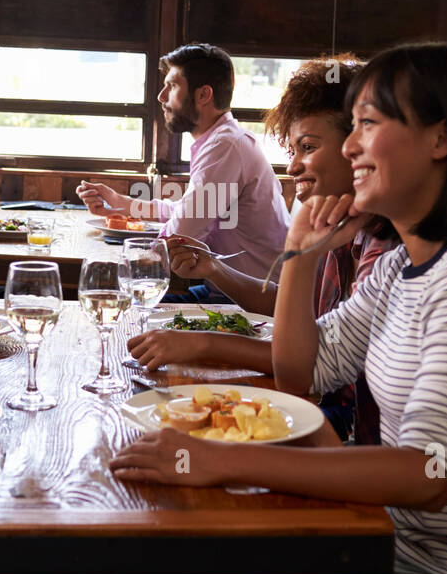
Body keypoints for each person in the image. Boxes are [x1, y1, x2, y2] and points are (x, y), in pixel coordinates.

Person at [110, 42, 447, 574]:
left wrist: (219, 458)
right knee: (190, 567)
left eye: (368, 125)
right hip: (399, 549)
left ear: (442, 138)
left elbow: (427, 474)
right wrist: (301, 253)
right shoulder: (402, 266)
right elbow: (301, 374)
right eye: (349, 127)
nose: (351, 145)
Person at [127, 55, 398, 440]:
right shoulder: (341, 229)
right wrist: (214, 269)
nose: (293, 167)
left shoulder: (388, 251)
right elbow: (296, 320)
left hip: (350, 430)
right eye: (293, 150)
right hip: (329, 415)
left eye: (308, 146)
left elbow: (308, 366)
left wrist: (201, 344)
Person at [75, 43, 290, 296]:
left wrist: (131, 252)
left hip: (252, 302)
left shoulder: (226, 146)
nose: (161, 96)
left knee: (112, 293)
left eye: (172, 86)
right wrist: (122, 204)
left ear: (203, 95)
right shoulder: (221, 140)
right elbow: (188, 210)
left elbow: (181, 235)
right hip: (226, 291)